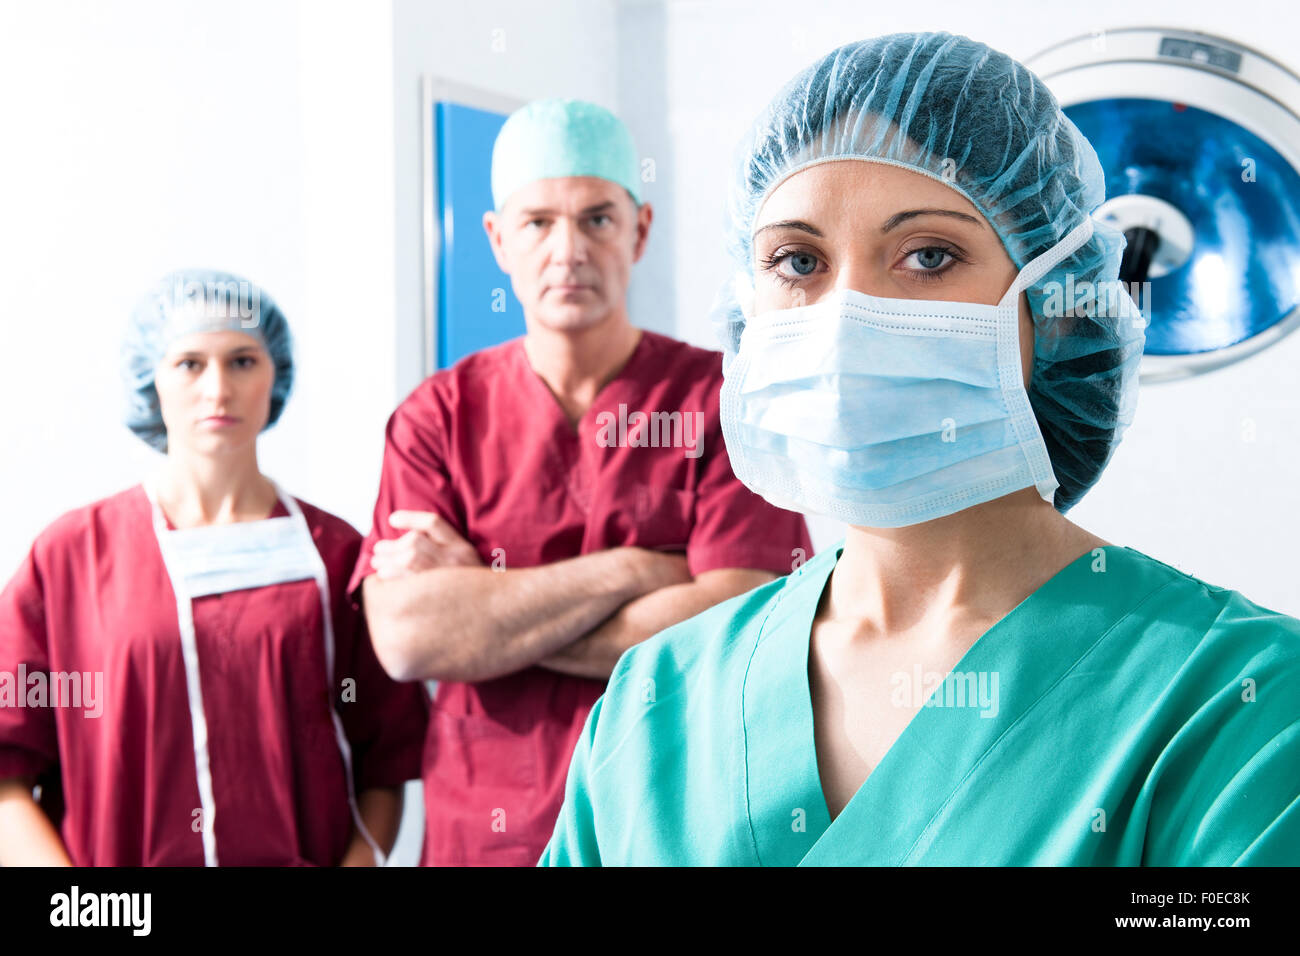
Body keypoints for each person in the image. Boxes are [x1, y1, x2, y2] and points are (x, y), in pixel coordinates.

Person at [540, 33, 1300, 866]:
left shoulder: (1237, 699)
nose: (846, 317)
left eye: (928, 256)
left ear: (1055, 308)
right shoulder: (658, 701)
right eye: (798, 261)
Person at [355, 99, 813, 866]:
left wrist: (489, 613)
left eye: (597, 218)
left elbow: (736, 626)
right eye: (537, 222)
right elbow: (409, 637)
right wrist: (637, 571)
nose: (567, 249)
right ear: (498, 241)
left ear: (640, 231)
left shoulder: (718, 401)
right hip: (487, 834)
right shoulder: (437, 418)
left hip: (672, 825)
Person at [0, 270, 428, 866]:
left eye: (243, 361)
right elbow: (7, 769)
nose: (217, 388)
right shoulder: (73, 557)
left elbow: (387, 755)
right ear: (152, 378)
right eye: (190, 363)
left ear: (275, 374)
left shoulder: (336, 557)